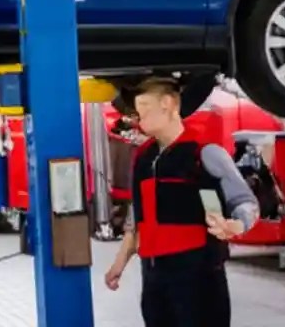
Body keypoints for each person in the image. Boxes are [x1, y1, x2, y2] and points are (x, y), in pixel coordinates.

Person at [104, 77, 260, 327]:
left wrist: (236, 225)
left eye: (144, 104)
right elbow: (138, 219)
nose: (137, 112)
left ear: (167, 104)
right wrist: (118, 265)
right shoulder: (143, 159)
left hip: (198, 278)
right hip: (154, 278)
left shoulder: (205, 153)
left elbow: (245, 202)